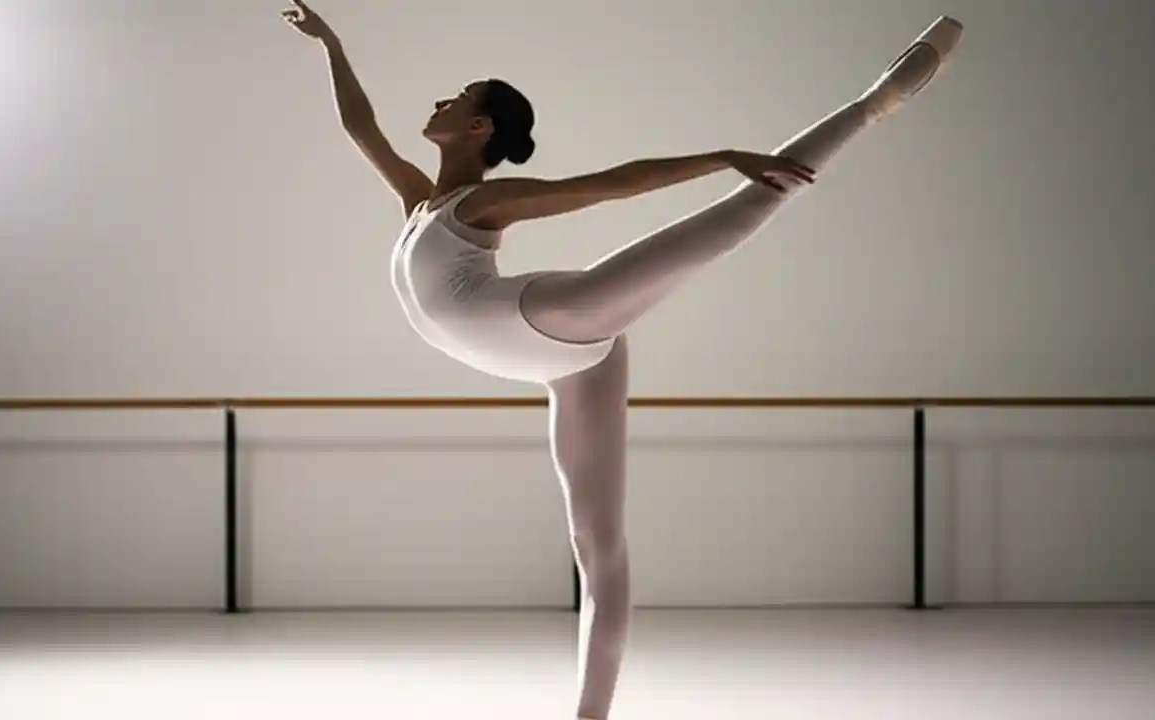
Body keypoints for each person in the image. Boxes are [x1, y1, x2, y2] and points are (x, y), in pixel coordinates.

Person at [283, 3, 962, 718]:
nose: (439, 101)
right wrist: (329, 41)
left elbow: (612, 185)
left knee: (725, 222)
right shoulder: (420, 200)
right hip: (564, 364)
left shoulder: (486, 202)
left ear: (479, 128)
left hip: (547, 318)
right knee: (598, 547)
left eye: (457, 98)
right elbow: (359, 126)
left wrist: (725, 157)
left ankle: (867, 107)